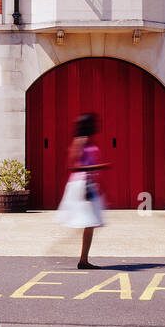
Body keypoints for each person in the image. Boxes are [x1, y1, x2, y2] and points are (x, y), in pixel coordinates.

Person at [55, 112, 110, 268]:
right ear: (87, 125)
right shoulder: (80, 141)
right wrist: (98, 167)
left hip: (89, 184)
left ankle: (83, 260)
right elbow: (72, 166)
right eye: (93, 123)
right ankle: (82, 259)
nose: (96, 125)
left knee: (90, 223)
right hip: (80, 185)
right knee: (88, 222)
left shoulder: (88, 141)